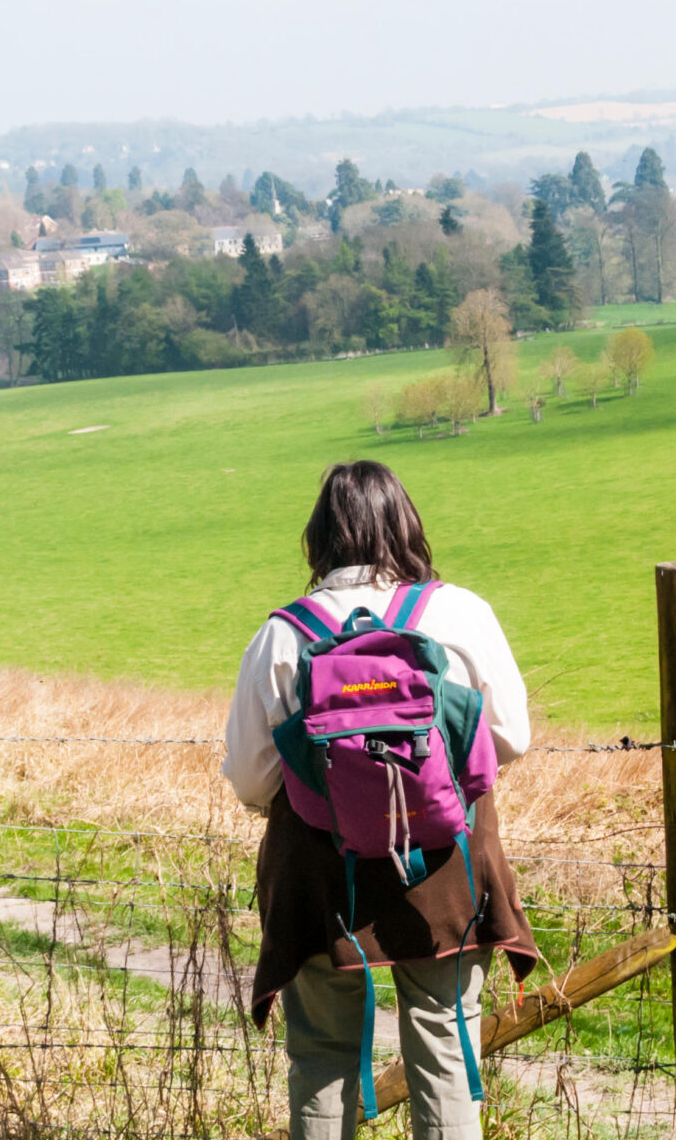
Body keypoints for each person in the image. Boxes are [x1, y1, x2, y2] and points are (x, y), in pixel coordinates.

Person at [223, 460, 539, 1140]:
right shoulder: (461, 612)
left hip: (321, 878)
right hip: (446, 868)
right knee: (446, 1050)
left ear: (320, 539)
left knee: (323, 1056)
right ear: (406, 525)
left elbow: (251, 777)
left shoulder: (282, 634)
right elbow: (512, 735)